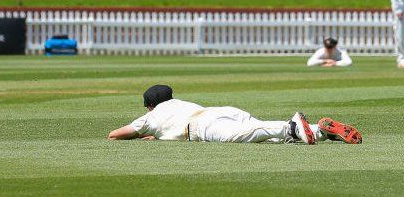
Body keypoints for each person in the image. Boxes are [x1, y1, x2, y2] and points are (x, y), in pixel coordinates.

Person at [107, 85, 362, 144]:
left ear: (150, 105)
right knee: (263, 135)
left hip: (200, 126)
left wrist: (138, 133)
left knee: (241, 137)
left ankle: (292, 126)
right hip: (218, 111)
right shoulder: (177, 104)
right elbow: (165, 130)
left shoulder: (151, 117)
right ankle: (320, 130)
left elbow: (116, 134)